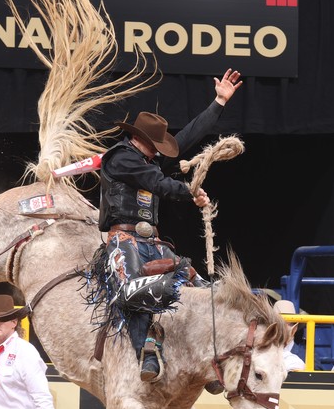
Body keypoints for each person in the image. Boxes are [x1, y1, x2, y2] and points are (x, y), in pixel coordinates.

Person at [98, 68, 242, 382]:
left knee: (197, 285)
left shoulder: (144, 158)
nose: (159, 151)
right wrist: (189, 193)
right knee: (132, 291)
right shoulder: (121, 159)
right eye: (155, 145)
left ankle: (209, 357)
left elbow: (189, 135)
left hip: (152, 242)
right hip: (124, 241)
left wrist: (218, 102)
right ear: (139, 139)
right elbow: (157, 182)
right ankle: (145, 354)